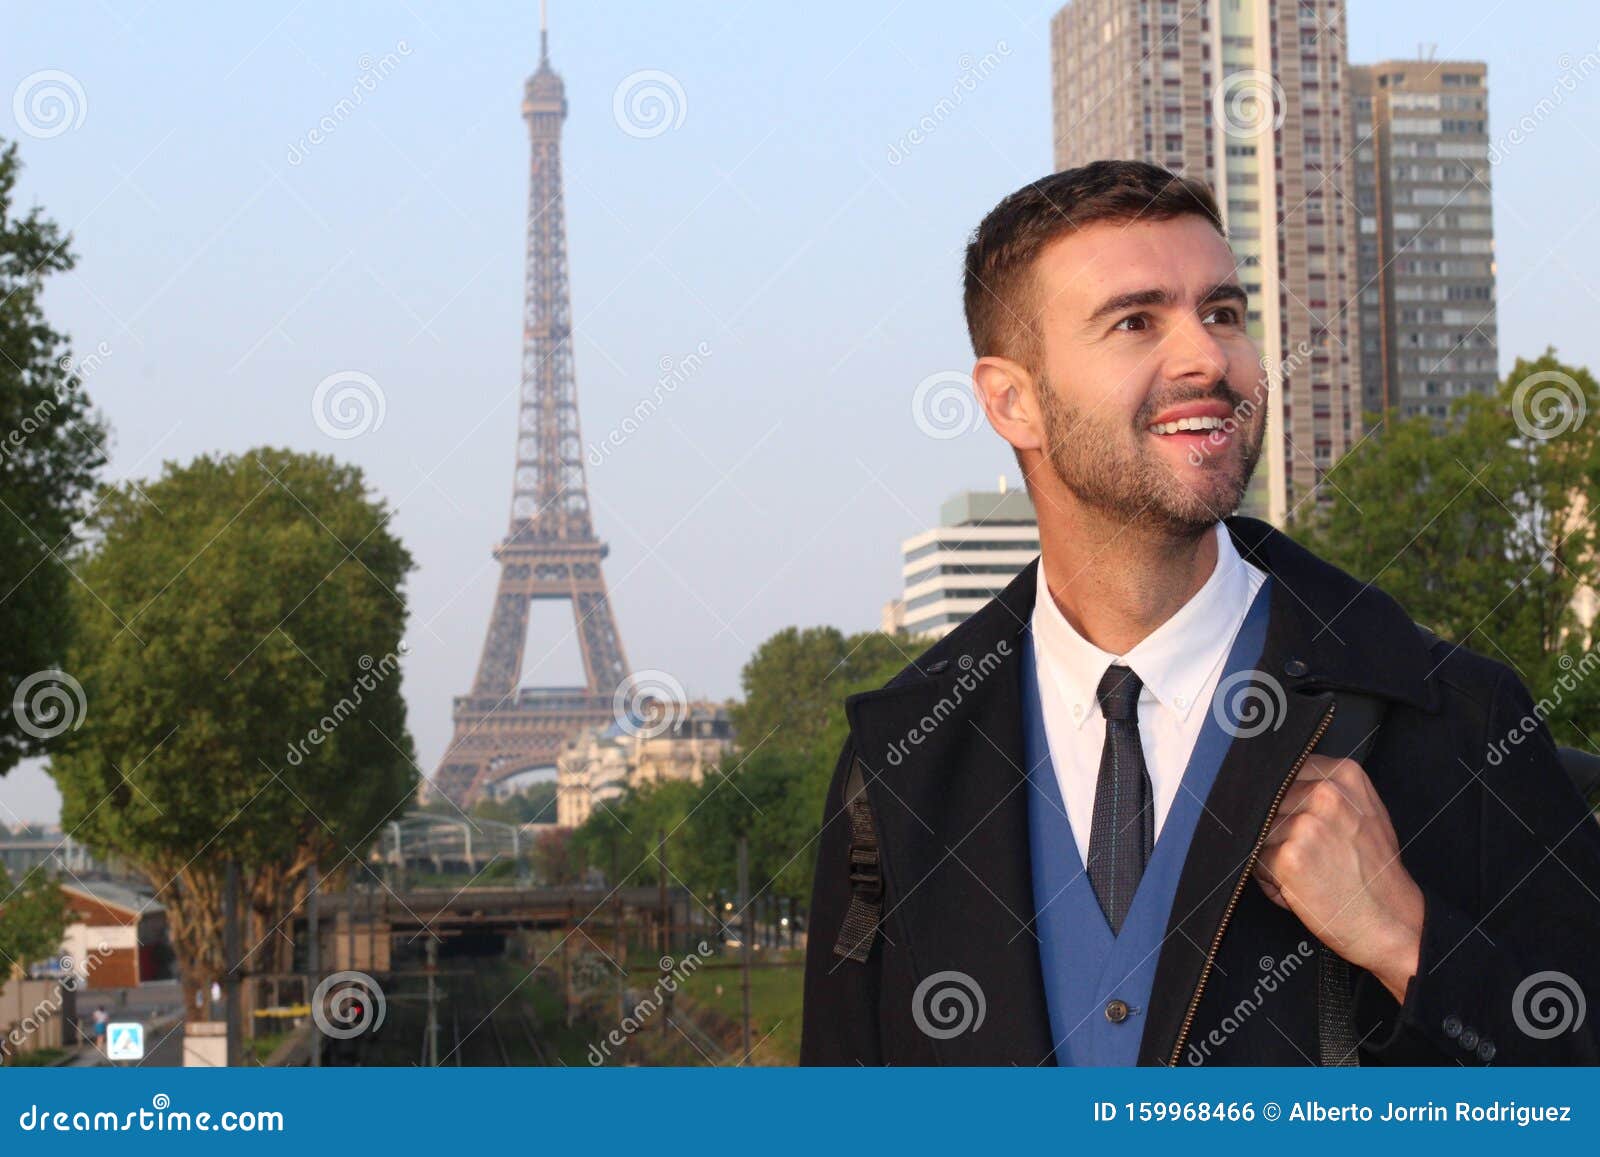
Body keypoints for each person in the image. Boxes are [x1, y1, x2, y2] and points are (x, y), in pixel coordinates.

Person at [800, 160, 1600, 1066]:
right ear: (1010, 399)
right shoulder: (900, 764)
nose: (1209, 358)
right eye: (1137, 321)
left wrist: (1410, 942)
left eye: (1223, 313)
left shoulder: (1461, 722)